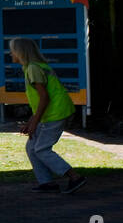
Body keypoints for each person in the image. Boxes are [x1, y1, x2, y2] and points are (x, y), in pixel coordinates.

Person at [9, 37, 84, 194]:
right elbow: (40, 101)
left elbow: (44, 98)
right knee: (32, 148)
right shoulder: (33, 67)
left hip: (56, 113)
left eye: (13, 50)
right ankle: (47, 183)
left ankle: (74, 177)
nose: (11, 54)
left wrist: (34, 123)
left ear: (21, 52)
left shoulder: (33, 69)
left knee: (41, 149)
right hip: (51, 113)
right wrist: (31, 121)